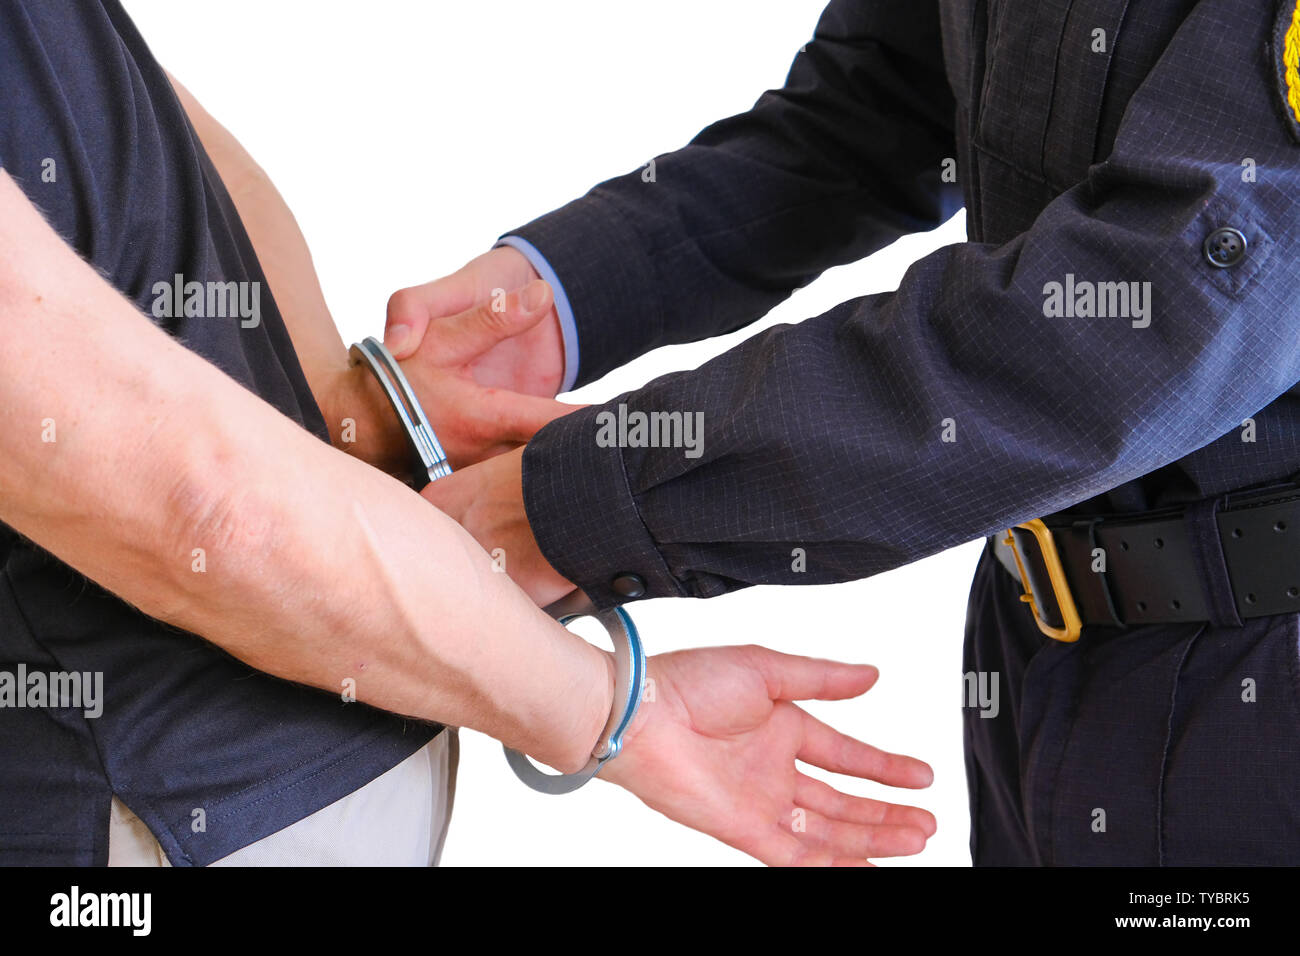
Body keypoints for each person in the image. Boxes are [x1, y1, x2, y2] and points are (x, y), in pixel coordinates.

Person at [0, 0, 935, 866]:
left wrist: (344, 404)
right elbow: (204, 509)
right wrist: (617, 709)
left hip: (301, 746)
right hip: (156, 806)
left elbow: (145, 121)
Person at [400, 0, 1300, 864]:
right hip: (1036, 639)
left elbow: (1148, 312)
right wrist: (553, 300)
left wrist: (569, 508)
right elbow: (879, 101)